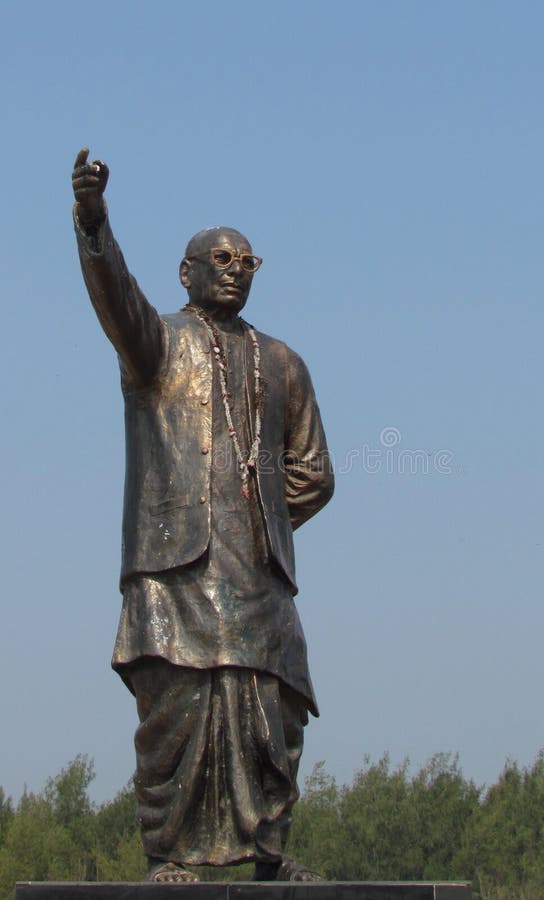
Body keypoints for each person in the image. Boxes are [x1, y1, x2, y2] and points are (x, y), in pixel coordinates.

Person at [71, 148, 334, 883]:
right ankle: (170, 855)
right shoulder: (156, 344)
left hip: (256, 575)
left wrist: (258, 520)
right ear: (185, 272)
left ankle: (269, 854)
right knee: (176, 714)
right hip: (174, 570)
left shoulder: (283, 362)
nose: (234, 267)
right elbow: (113, 297)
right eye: (218, 257)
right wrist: (94, 223)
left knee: (269, 717)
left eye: (246, 259)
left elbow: (315, 472)